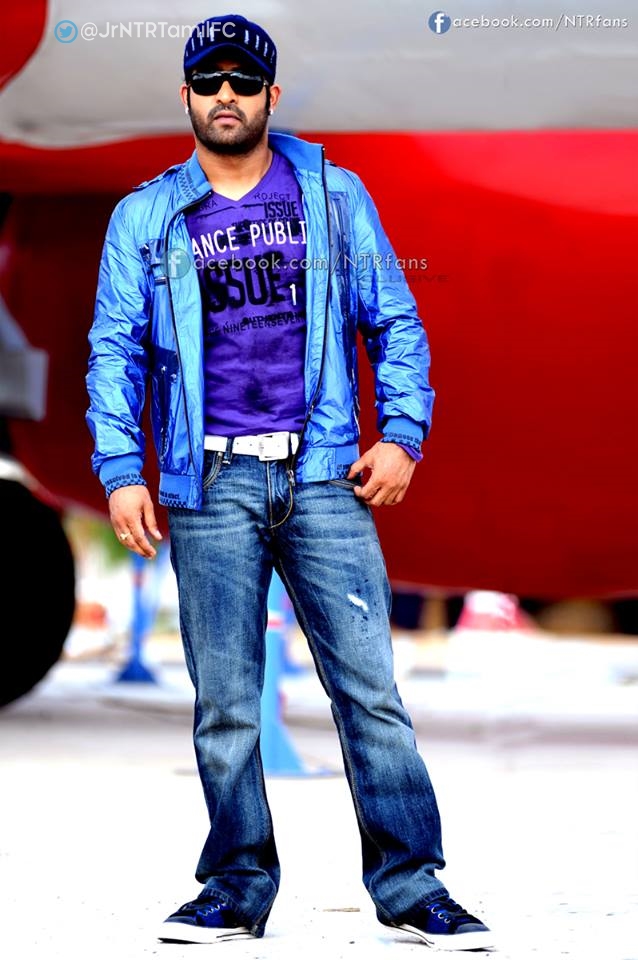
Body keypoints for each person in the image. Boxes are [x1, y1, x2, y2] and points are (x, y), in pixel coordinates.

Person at [86, 14, 494, 951]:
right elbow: (114, 352)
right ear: (186, 96)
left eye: (243, 80)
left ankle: (412, 886)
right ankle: (235, 889)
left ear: (272, 94)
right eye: (208, 80)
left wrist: (403, 435)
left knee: (370, 693)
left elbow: (394, 319)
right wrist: (120, 468)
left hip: (322, 479)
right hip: (208, 483)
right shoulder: (146, 217)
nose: (224, 95)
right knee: (226, 704)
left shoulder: (334, 196)